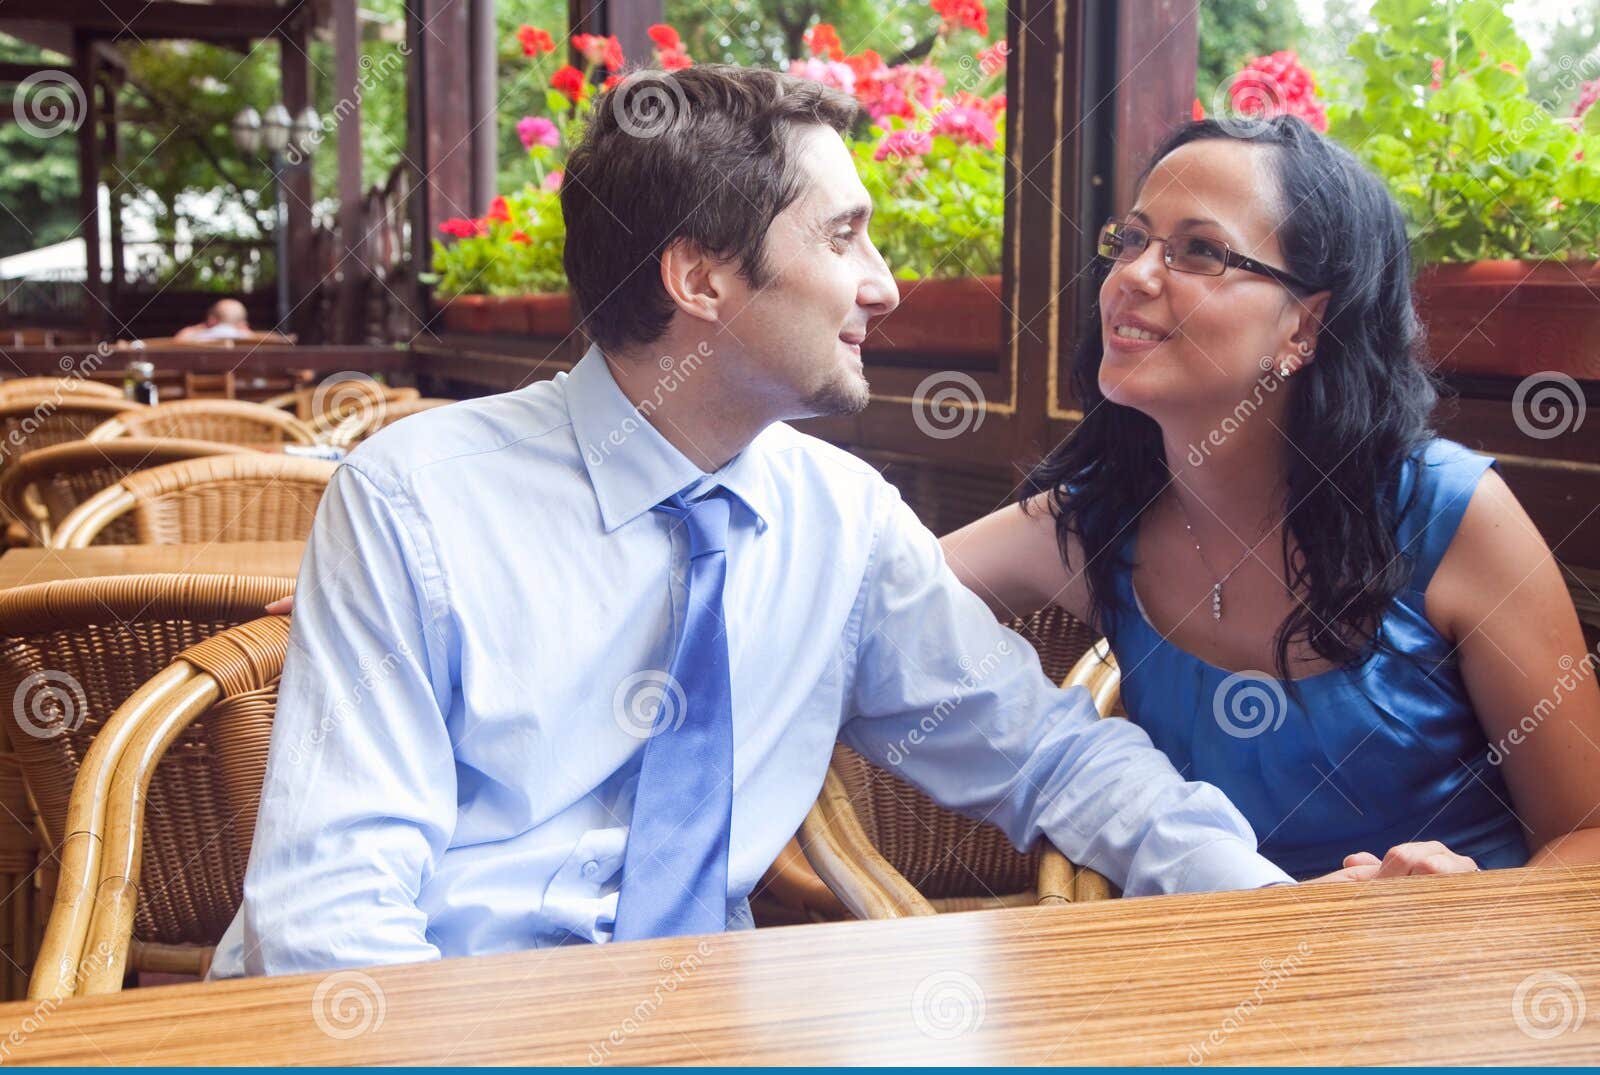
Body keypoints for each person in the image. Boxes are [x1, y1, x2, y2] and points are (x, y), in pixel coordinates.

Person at [209, 71, 1377, 980]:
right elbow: (331, 928)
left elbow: (1053, 757)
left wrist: (1277, 906)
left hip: (699, 1045)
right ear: (701, 280)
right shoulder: (417, 500)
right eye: (843, 236)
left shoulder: (841, 521)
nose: (885, 285)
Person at [943, 116, 1600, 883]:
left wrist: (1470, 905)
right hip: (1225, 980)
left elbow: (1589, 837)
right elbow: (869, 597)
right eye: (1131, 239)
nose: (1134, 275)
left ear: (1305, 324)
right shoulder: (1092, 519)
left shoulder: (1452, 516)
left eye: (1200, 250)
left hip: (1456, 980)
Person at [173, 298, 253, 342]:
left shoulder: (194, 337)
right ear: (243, 324)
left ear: (212, 320)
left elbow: (177, 341)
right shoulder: (250, 340)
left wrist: (195, 329)